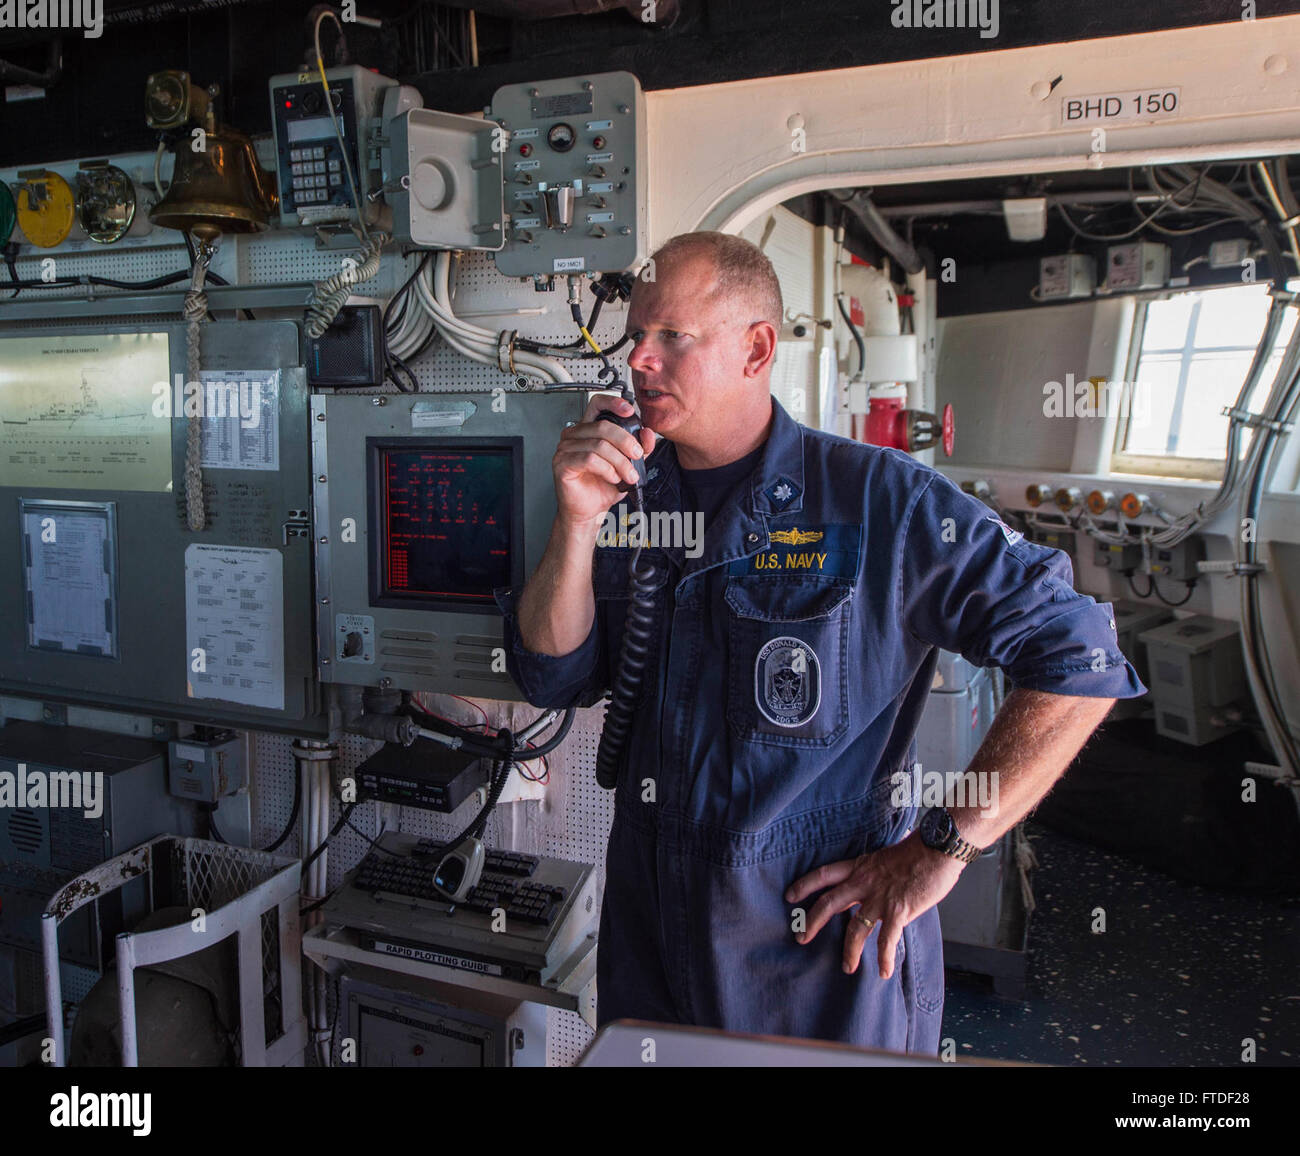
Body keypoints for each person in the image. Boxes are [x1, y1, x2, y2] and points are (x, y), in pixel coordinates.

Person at [495, 230, 1145, 1052]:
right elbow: (553, 678)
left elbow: (1079, 656)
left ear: (756, 348)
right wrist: (578, 522)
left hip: (815, 953)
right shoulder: (621, 493)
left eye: (671, 339)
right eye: (635, 338)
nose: (640, 362)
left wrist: (943, 846)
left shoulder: (883, 502)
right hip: (651, 933)